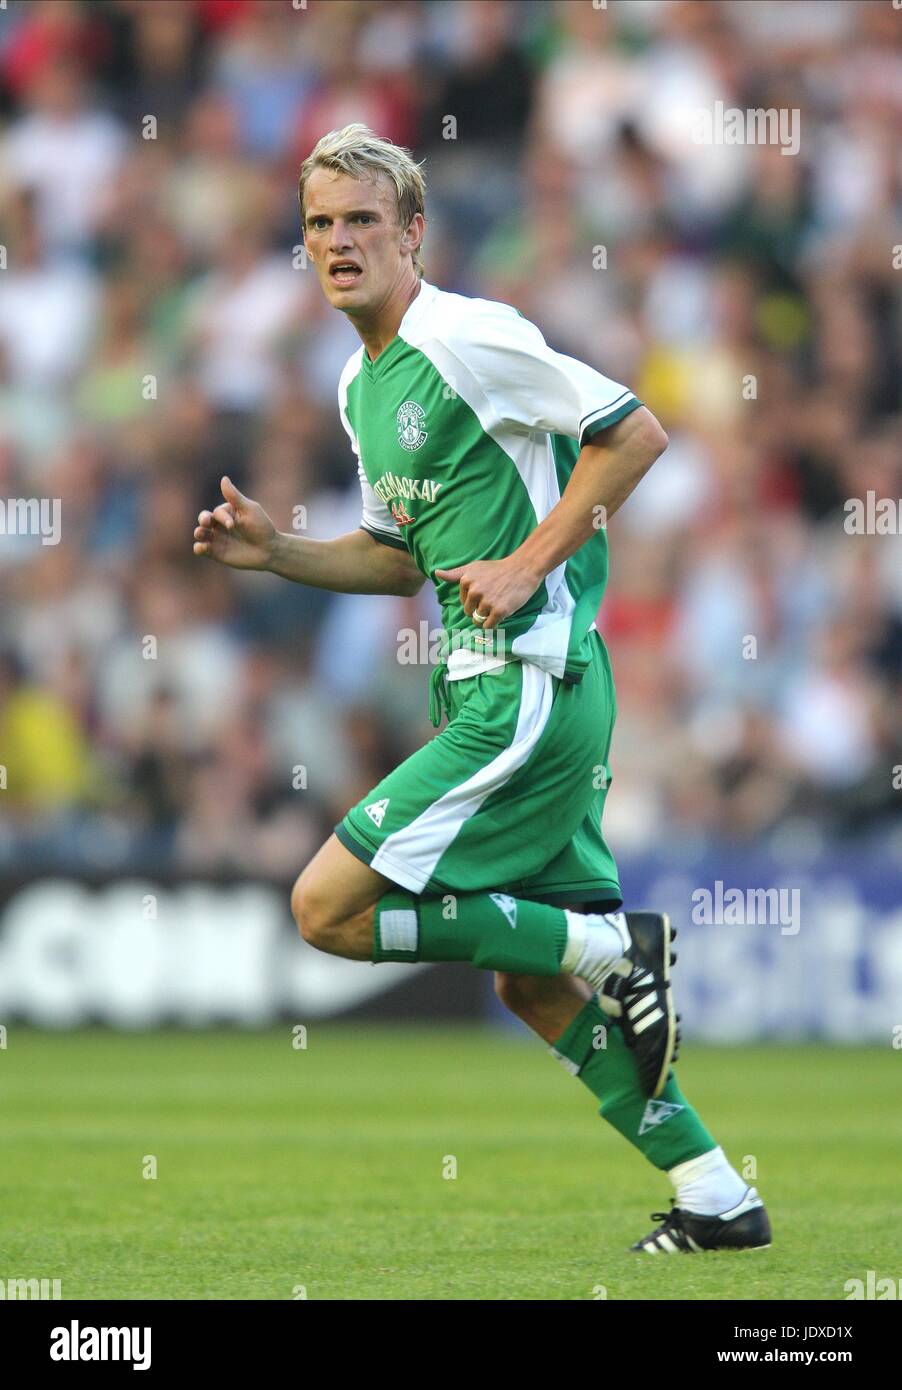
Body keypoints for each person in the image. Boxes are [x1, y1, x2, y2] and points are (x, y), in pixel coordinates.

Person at [193, 124, 770, 1254]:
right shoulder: (363, 381)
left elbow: (632, 433)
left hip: (528, 687)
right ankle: (714, 1193)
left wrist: (527, 561)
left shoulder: (467, 335)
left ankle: (610, 949)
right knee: (526, 986)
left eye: (362, 220)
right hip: (483, 692)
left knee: (323, 909)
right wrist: (280, 554)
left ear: (413, 233)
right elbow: (400, 554)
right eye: (319, 224)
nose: (338, 241)